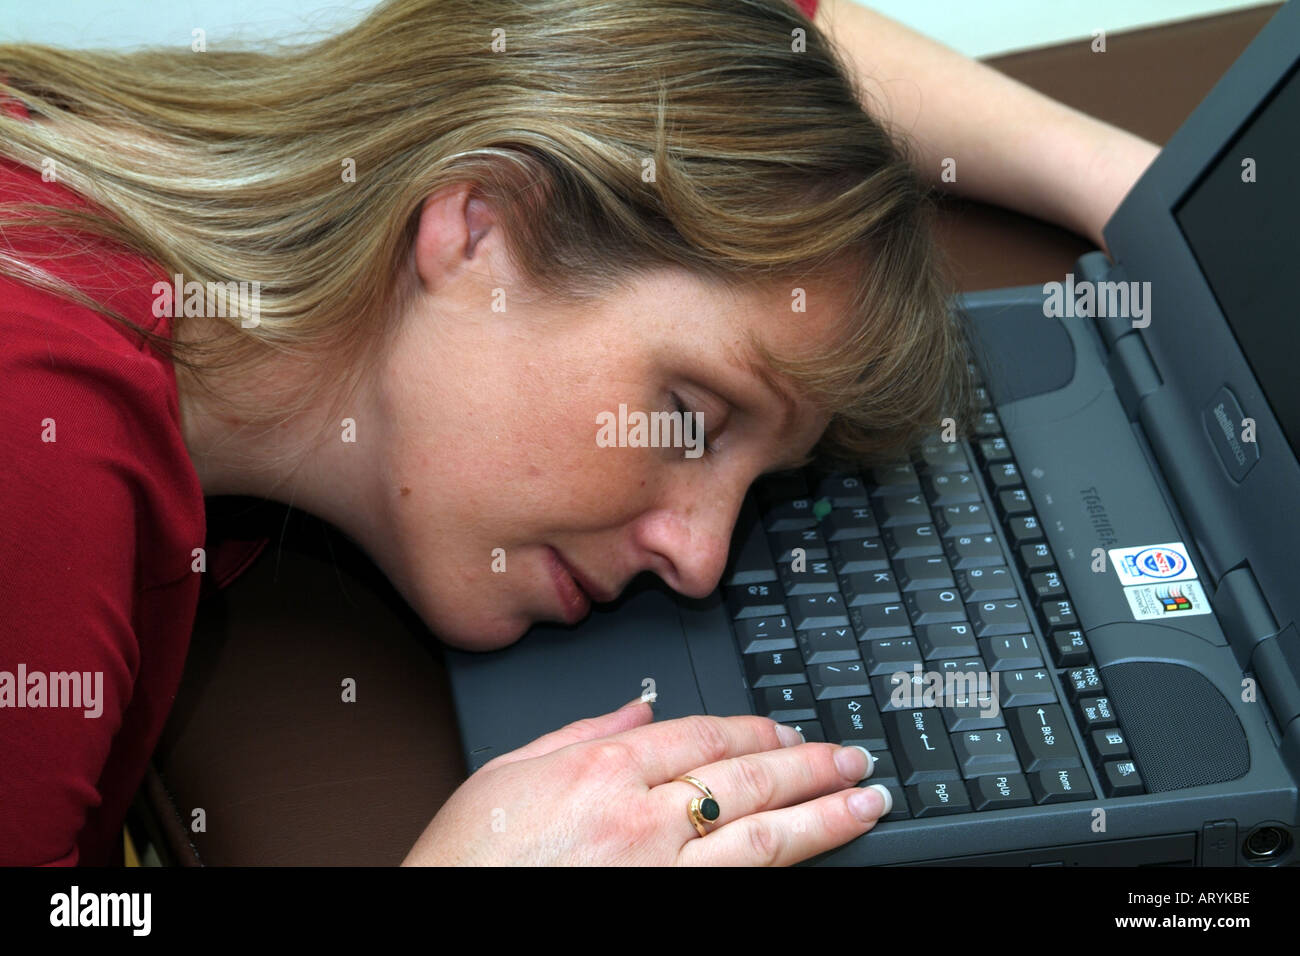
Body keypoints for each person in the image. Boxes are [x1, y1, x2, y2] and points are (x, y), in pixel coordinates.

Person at [0, 0, 1158, 866]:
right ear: (480, 227)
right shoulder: (40, 454)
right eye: (690, 417)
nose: (697, 556)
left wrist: (1128, 186)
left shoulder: (113, 198)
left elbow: (774, 31)